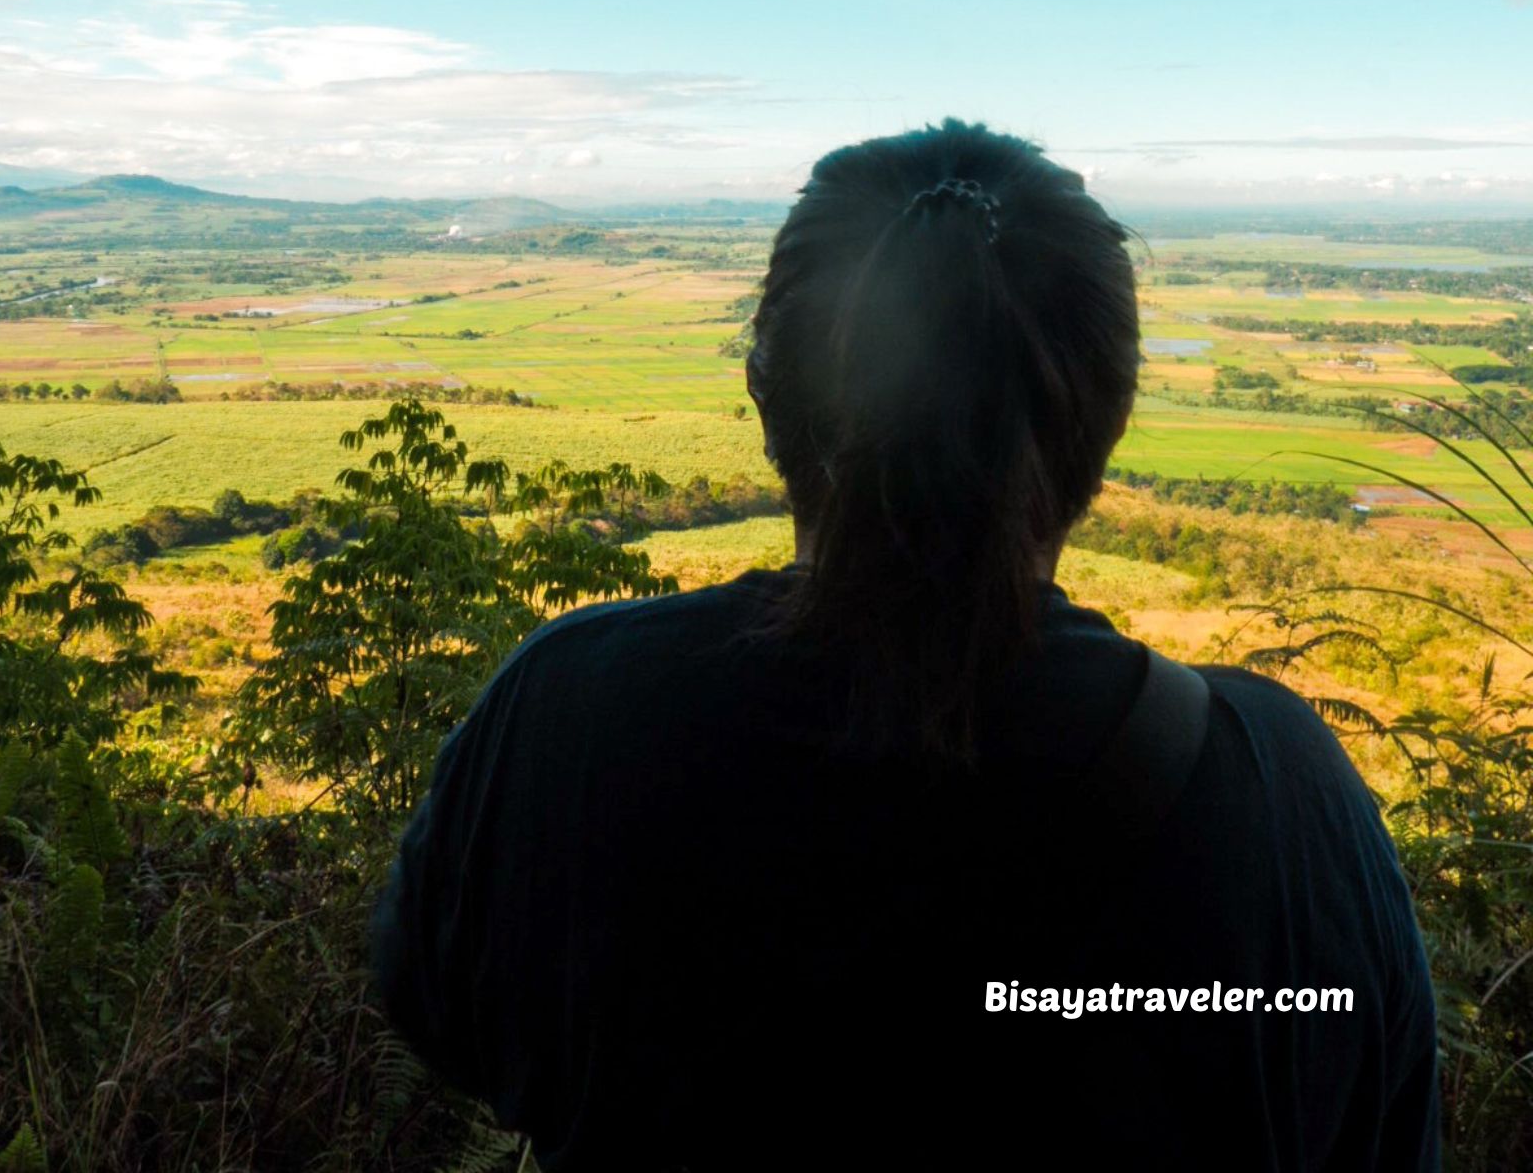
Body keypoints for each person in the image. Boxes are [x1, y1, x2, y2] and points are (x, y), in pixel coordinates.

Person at [369, 119, 1440, 1171]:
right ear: (1106, 419)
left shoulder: (569, 713)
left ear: (764, 388)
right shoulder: (1282, 794)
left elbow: (441, 1012)